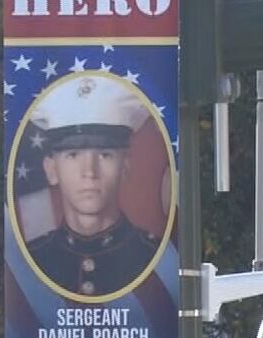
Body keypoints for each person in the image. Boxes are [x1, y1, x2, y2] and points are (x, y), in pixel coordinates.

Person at [23, 76, 161, 297]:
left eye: (105, 155)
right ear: (51, 170)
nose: (89, 172)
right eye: (73, 155)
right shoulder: (29, 262)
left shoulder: (157, 259)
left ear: (125, 167)